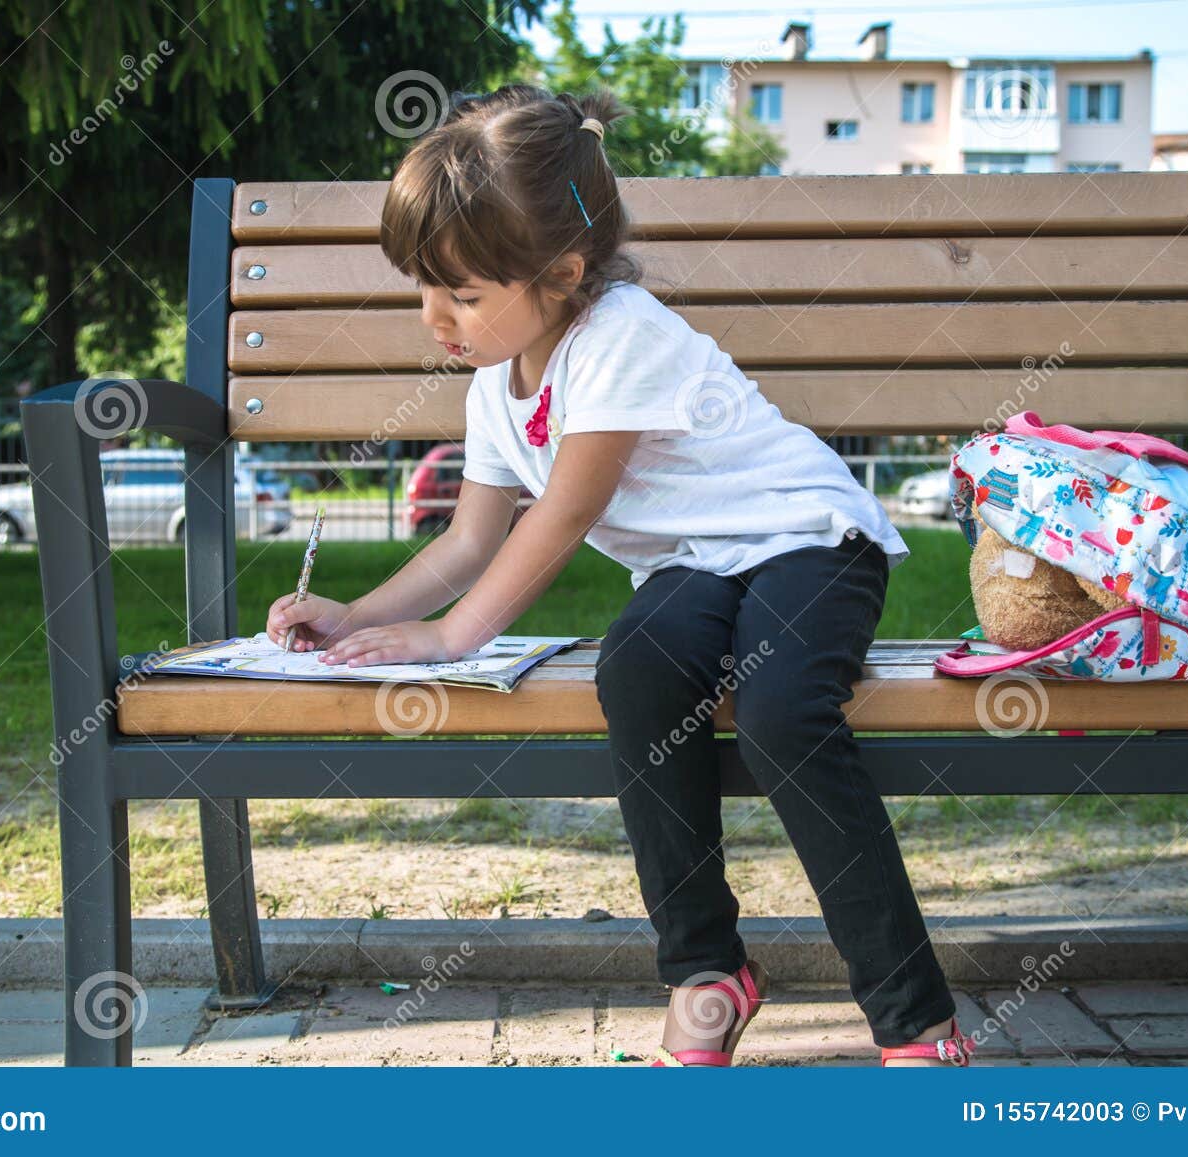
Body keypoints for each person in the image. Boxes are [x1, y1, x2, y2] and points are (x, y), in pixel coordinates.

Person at [265, 83, 973, 1068]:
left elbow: (563, 514)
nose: (434, 317)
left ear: (562, 272)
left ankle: (913, 1015)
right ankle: (707, 975)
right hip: (693, 567)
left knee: (781, 712)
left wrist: (453, 636)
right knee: (636, 665)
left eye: (463, 294)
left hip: (807, 540)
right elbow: (467, 541)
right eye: (423, 286)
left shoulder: (620, 332)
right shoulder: (494, 385)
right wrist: (355, 616)